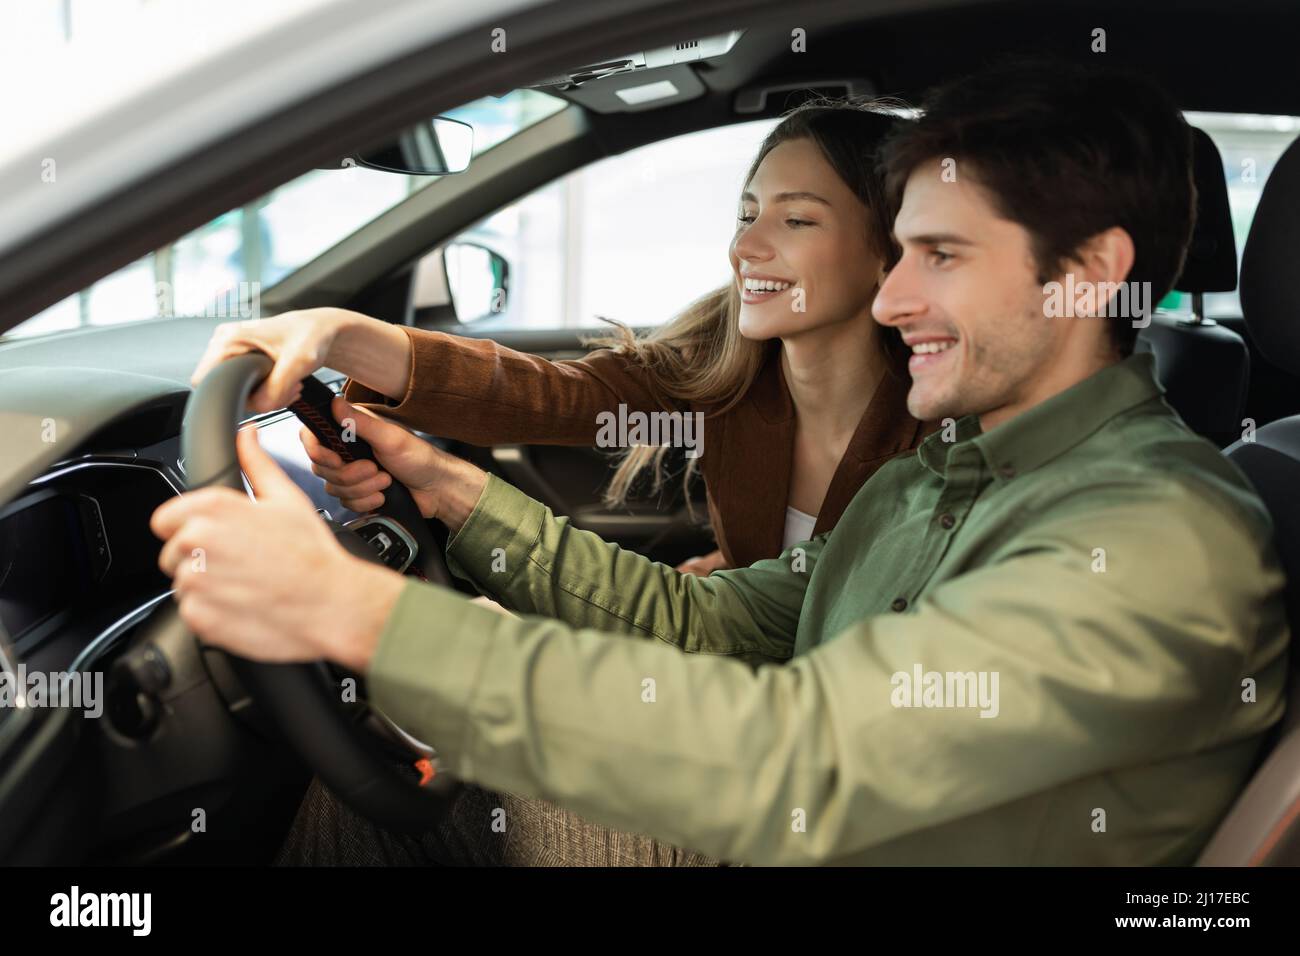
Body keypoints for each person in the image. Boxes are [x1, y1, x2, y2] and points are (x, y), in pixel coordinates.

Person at [153, 59, 1288, 866]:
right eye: (899, 253)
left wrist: (358, 617)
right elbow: (710, 623)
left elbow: (804, 761)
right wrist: (450, 488)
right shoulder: (937, 477)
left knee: (440, 794)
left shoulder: (1149, 536)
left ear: (1089, 271)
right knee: (395, 797)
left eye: (938, 255)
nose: (896, 300)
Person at [190, 99, 929, 577]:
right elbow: (548, 395)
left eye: (796, 220)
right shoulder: (727, 367)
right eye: (746, 214)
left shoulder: (950, 423)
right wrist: (336, 334)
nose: (747, 248)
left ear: (888, 252)